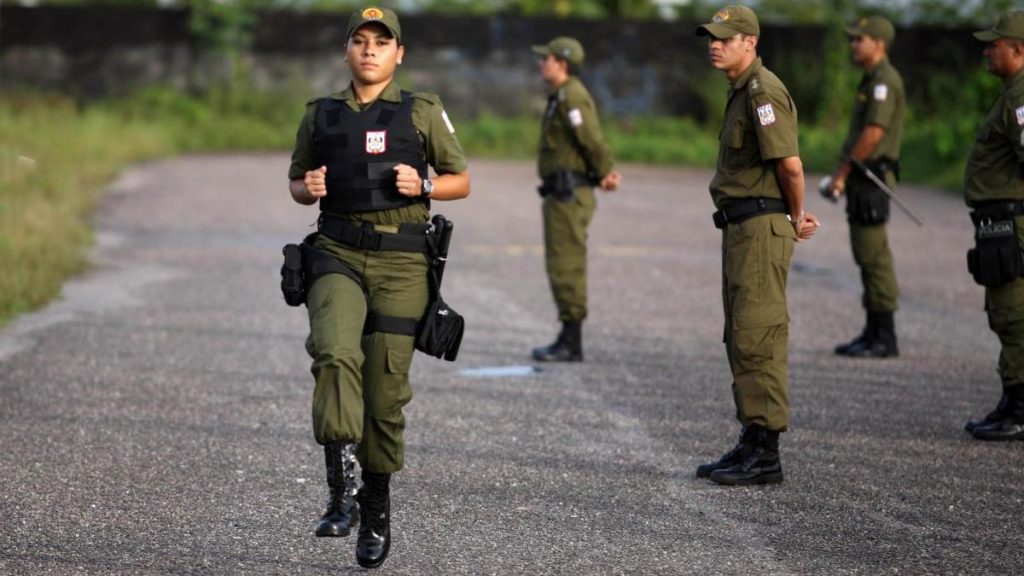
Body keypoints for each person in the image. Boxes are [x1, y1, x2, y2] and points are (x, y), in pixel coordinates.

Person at [287, 6, 470, 568]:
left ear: (399, 54)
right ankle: (340, 491)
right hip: (337, 254)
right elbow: (296, 182)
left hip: (401, 266)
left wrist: (428, 183)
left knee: (385, 398)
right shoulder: (320, 115)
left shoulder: (422, 112)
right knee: (335, 353)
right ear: (346, 50)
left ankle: (376, 505)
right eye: (360, 41)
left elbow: (462, 180)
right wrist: (306, 185)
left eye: (381, 42)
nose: (370, 50)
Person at [693, 5, 819, 485]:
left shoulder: (763, 90)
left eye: (726, 37)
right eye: (712, 37)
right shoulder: (742, 91)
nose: (715, 44)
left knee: (759, 333)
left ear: (751, 42)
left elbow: (790, 165)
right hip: (742, 228)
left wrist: (794, 216)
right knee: (742, 333)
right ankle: (752, 436)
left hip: (762, 228)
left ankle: (766, 453)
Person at [529, 36, 622, 362]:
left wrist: (605, 171)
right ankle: (568, 337)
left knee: (566, 264)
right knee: (561, 263)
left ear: (562, 63)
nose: (542, 63)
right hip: (560, 193)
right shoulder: (561, 95)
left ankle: (571, 341)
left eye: (547, 58)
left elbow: (591, 139)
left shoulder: (571, 96)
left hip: (569, 194)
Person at [961, 9, 1024, 441]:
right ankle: (1012, 398)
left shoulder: (1021, 99)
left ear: (1018, 50)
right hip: (996, 224)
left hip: (1010, 224)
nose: (987, 51)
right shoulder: (1011, 93)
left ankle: (1019, 408)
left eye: (994, 44)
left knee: (1014, 314)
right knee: (1004, 313)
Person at [827, 16, 905, 359]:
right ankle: (873, 329)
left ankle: (884, 336)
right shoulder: (871, 79)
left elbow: (873, 133)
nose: (853, 44)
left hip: (871, 177)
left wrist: (842, 172)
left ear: (879, 43)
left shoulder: (884, 81)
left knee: (874, 257)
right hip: (864, 179)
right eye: (853, 39)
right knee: (866, 254)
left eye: (860, 39)